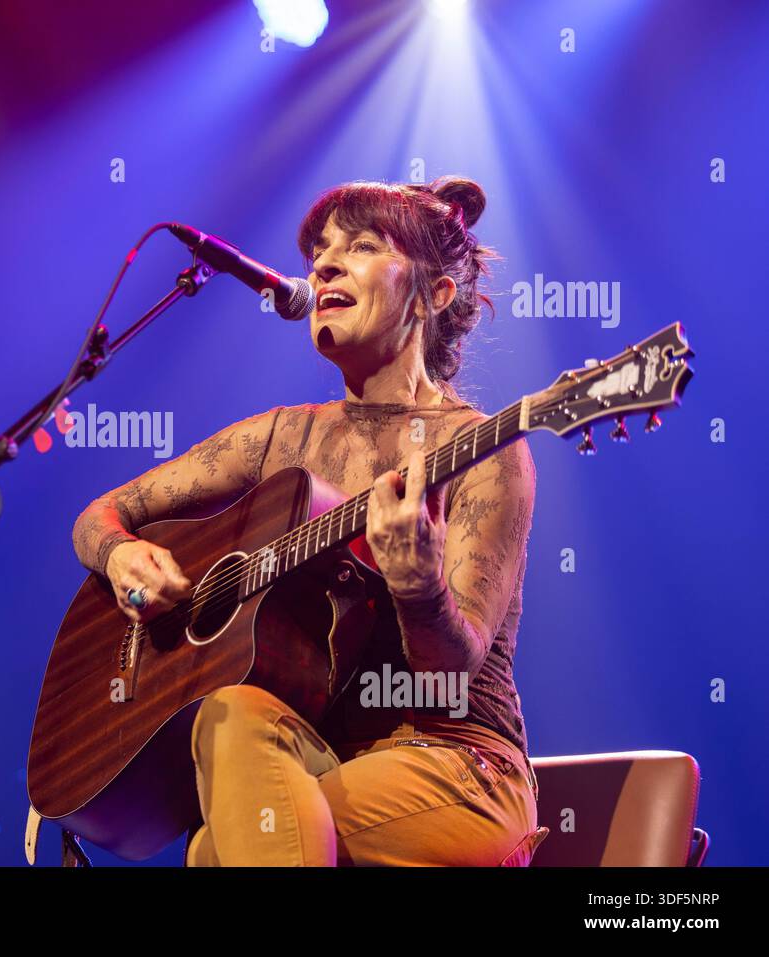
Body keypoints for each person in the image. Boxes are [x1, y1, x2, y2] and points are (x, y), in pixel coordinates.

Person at [70, 177, 542, 866]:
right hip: (322, 760)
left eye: (361, 246)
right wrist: (119, 557)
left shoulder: (486, 451)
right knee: (231, 716)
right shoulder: (280, 438)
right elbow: (99, 514)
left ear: (434, 295)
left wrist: (418, 586)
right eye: (320, 251)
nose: (322, 265)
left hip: (456, 764)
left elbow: (450, 669)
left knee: (213, 854)